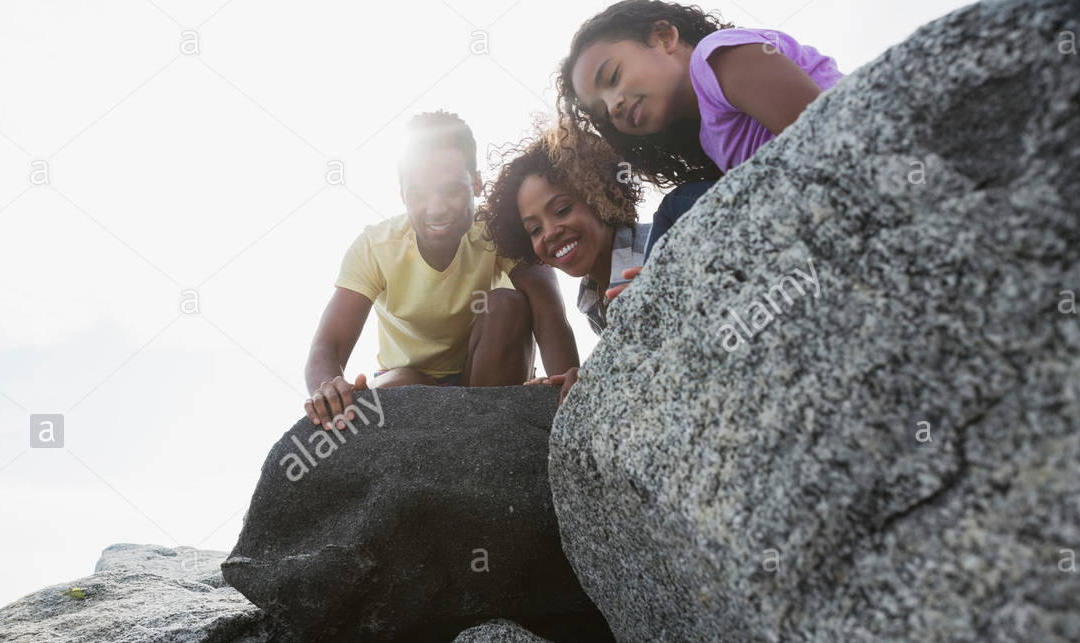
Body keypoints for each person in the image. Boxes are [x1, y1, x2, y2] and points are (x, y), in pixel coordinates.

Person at [303, 111, 579, 430]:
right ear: (403, 193)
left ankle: (485, 432)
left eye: (451, 190)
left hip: (487, 377)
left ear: (476, 183)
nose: (435, 208)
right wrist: (328, 386)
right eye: (419, 193)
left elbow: (548, 309)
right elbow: (328, 344)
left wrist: (568, 385)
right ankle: (459, 433)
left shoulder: (496, 233)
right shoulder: (376, 247)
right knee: (398, 382)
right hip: (408, 381)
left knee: (507, 303)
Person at [556, 1, 845, 255]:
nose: (613, 106)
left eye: (613, 76)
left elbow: (823, 134)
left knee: (674, 208)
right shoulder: (708, 136)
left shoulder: (716, 58)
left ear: (664, 37)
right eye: (603, 112)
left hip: (848, 155)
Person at [479, 123, 646, 402]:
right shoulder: (591, 297)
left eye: (562, 210)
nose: (551, 233)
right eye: (534, 230)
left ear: (600, 194)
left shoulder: (652, 247)